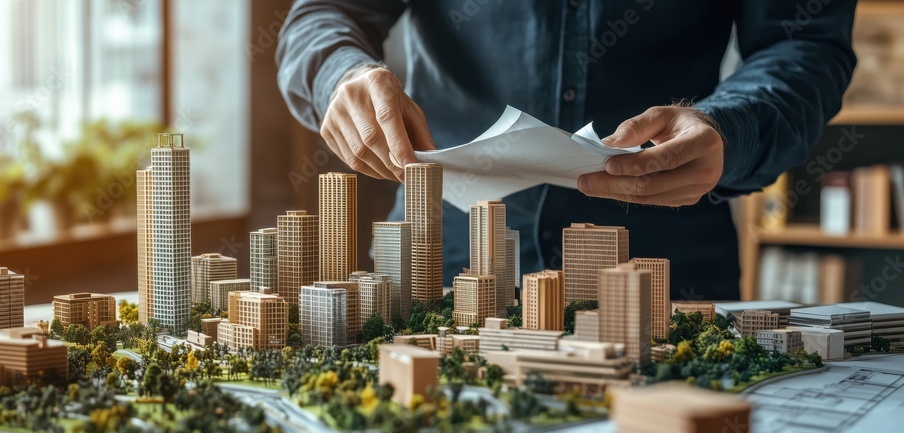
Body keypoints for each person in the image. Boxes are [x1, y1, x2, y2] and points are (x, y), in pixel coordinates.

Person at [276, 1, 856, 300]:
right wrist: (340, 73)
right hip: (439, 262)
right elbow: (325, 13)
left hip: (666, 271)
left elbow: (803, 42)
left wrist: (731, 127)